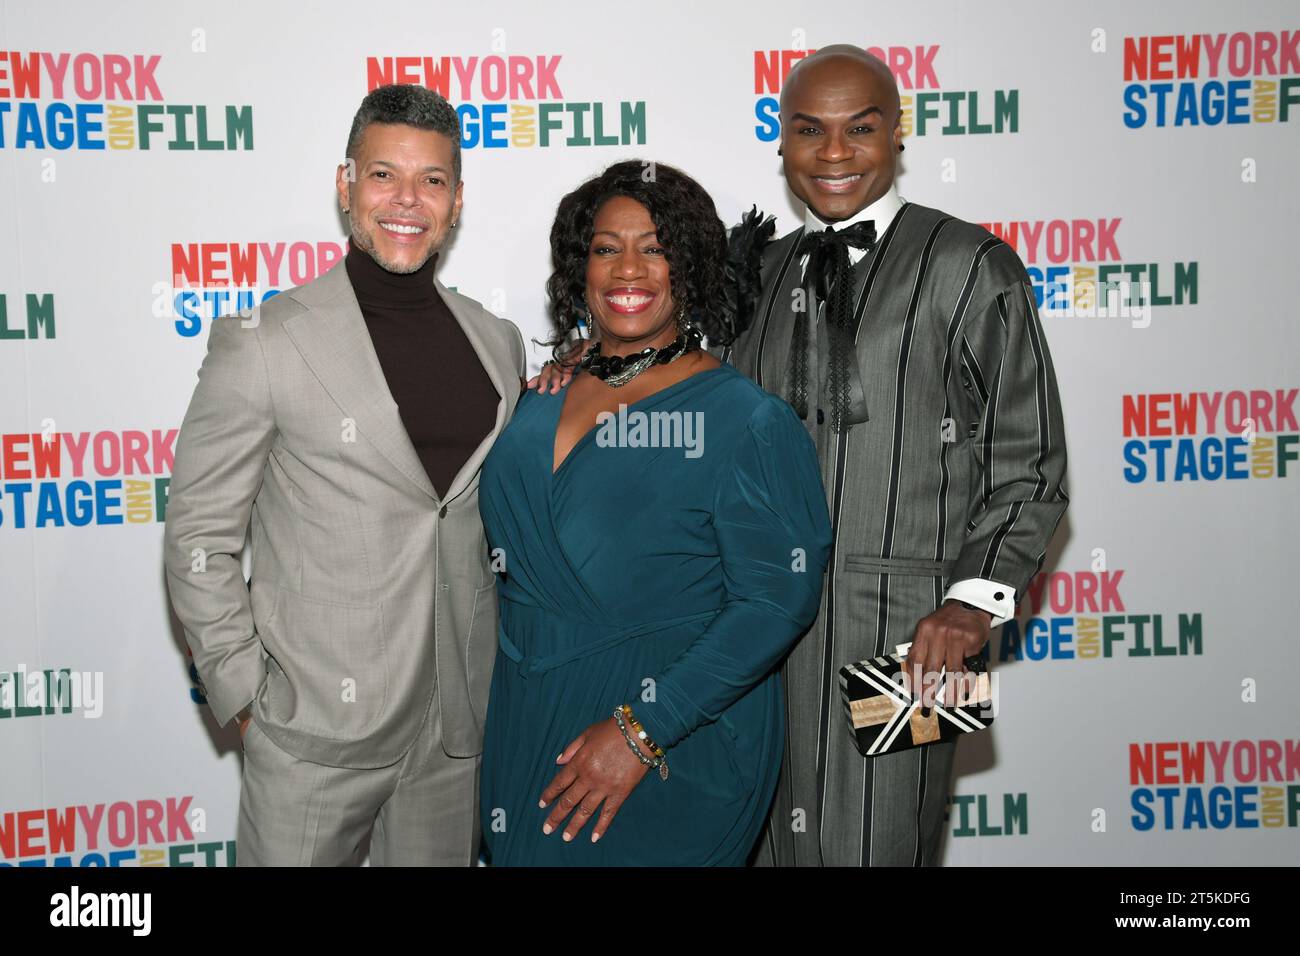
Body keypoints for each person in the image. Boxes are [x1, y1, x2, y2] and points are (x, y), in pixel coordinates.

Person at [533, 46, 1069, 866]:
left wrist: (973, 607)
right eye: (810, 130)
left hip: (919, 644)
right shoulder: (756, 272)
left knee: (884, 850)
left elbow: (1029, 460)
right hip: (755, 636)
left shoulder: (972, 265)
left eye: (859, 128)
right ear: (781, 142)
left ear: (898, 133)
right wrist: (584, 363)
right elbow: (677, 376)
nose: (834, 152)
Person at [164, 84, 526, 865]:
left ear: (456, 201)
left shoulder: (498, 343)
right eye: (383, 175)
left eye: (431, 180)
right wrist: (248, 700)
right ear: (345, 186)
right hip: (310, 735)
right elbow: (198, 539)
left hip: (454, 736)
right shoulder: (263, 341)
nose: (407, 200)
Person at [477, 160, 833, 865]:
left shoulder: (745, 418)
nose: (627, 270)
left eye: (655, 248)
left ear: (691, 268)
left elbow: (777, 600)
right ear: (581, 268)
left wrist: (644, 731)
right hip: (526, 716)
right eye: (606, 249)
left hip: (668, 739)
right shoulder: (540, 395)